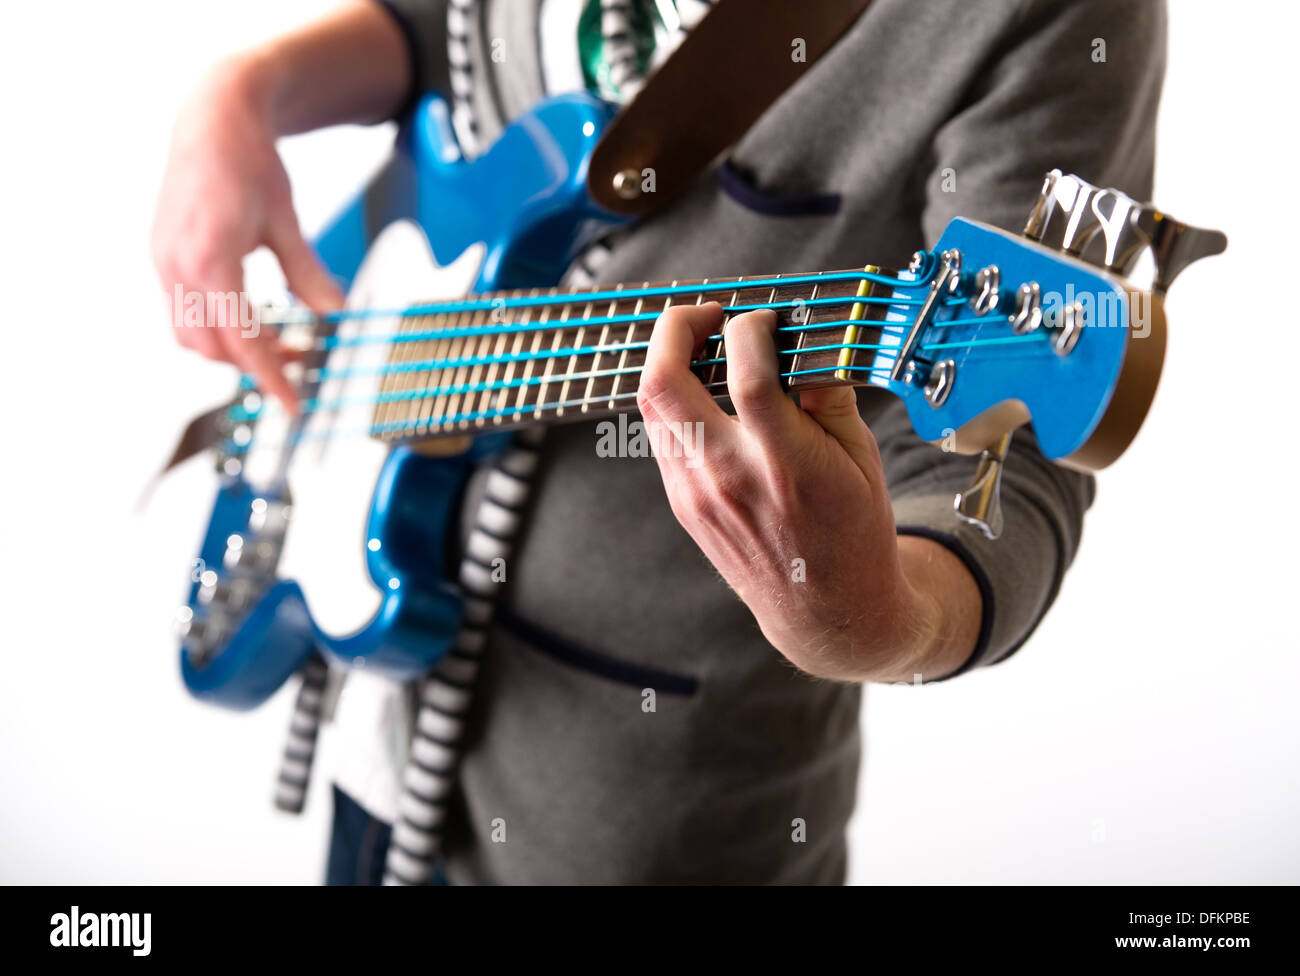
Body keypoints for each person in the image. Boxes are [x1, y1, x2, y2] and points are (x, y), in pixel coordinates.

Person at [152, 0, 1166, 883]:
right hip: (373, 746)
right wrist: (241, 92)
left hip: (641, 828)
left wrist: (874, 617)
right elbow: (443, 27)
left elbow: (1001, 465)